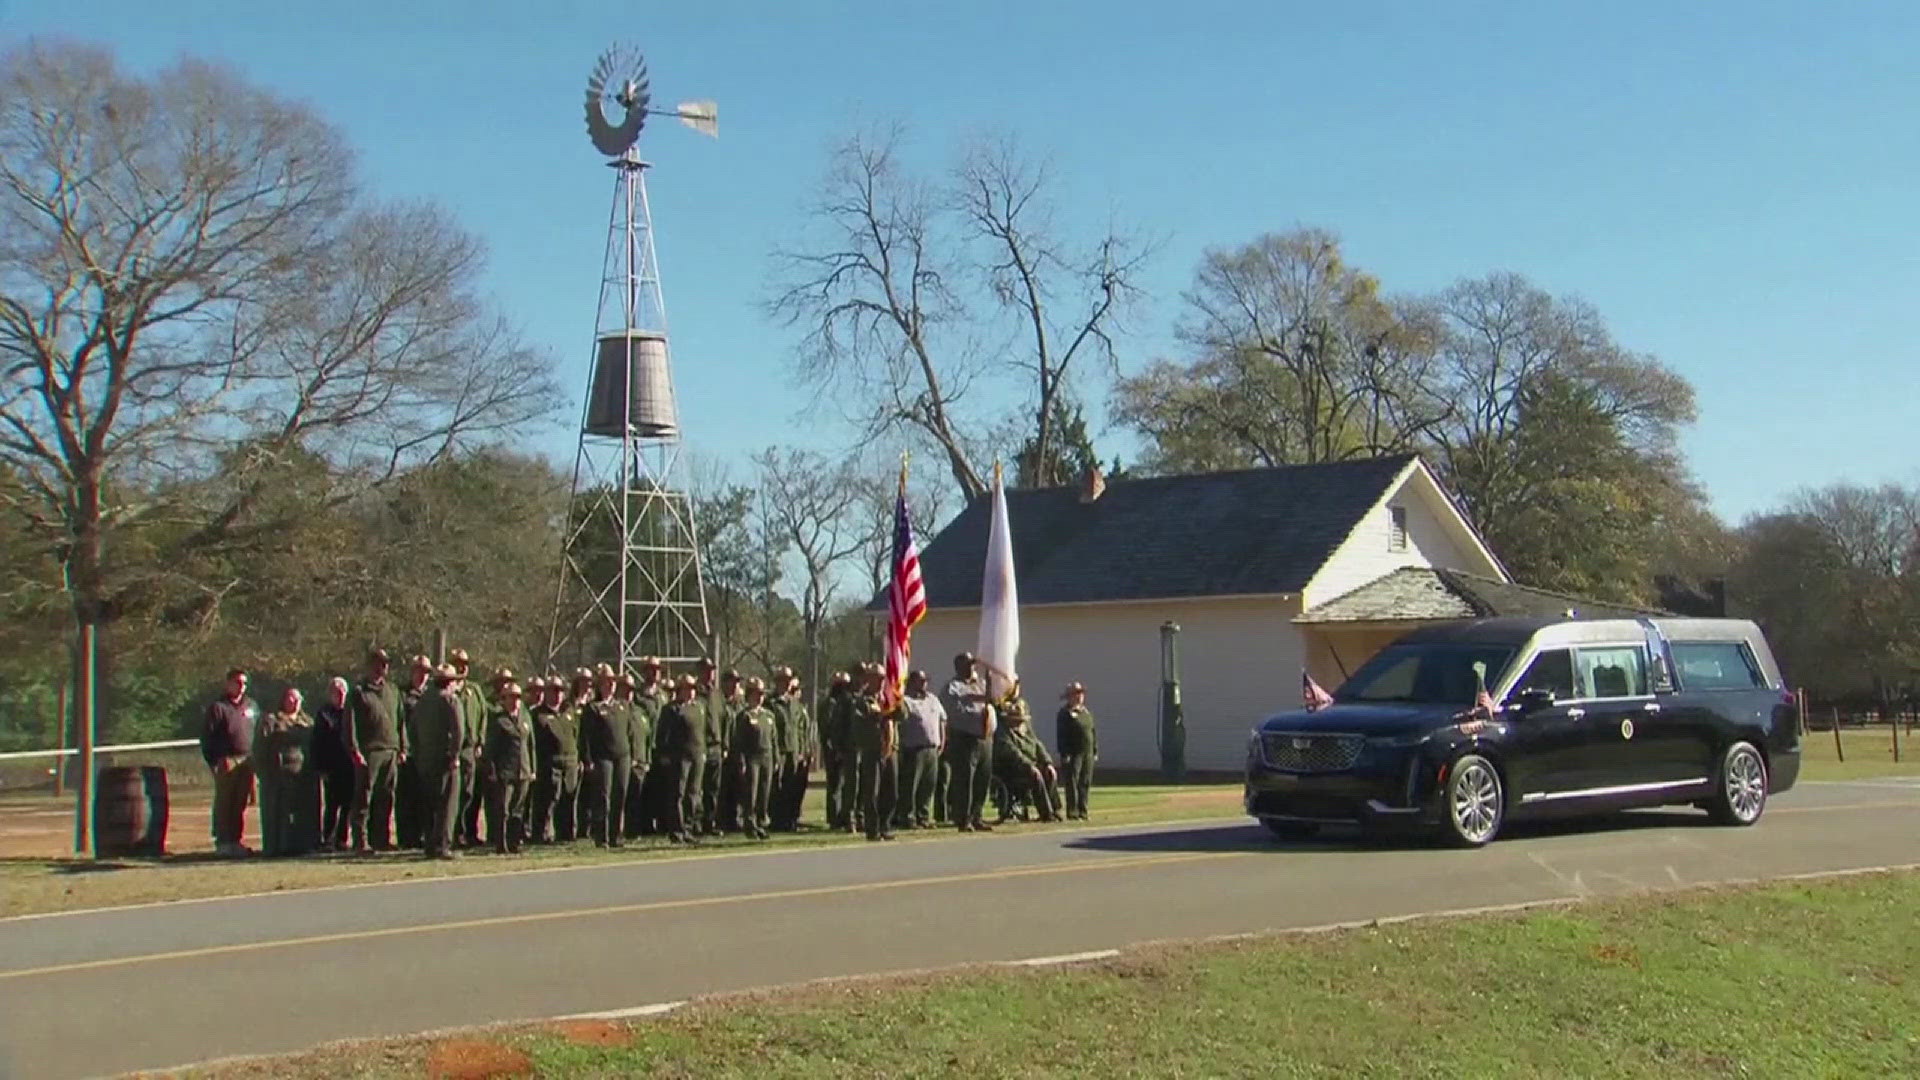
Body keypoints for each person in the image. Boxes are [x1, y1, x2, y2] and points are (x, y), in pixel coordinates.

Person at [348, 648, 406, 852]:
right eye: (379, 663)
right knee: (364, 797)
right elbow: (350, 724)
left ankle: (381, 838)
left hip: (391, 750)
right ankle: (360, 840)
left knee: (386, 796)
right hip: (369, 751)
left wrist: (402, 747)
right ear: (370, 665)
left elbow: (400, 721)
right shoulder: (359, 692)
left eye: (386, 663)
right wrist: (355, 750)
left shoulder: (393, 690)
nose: (383, 667)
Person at [252, 687, 320, 857]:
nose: (295, 702)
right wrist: (263, 771)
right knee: (276, 813)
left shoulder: (307, 722)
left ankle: (302, 845)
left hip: (303, 774)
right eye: (291, 698)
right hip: (278, 774)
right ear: (283, 700)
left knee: (303, 813)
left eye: (298, 698)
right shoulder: (271, 720)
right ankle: (276, 847)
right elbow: (260, 748)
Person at [200, 667, 259, 856]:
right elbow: (207, 737)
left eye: (245, 683)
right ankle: (223, 842)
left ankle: (236, 841)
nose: (242, 687)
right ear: (229, 684)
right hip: (226, 760)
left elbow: (257, 731)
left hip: (247, 760)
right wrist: (214, 762)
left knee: (240, 802)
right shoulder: (218, 707)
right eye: (238, 682)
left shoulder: (251, 706)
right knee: (225, 803)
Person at [409, 664, 465, 860]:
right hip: (445, 760)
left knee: (429, 804)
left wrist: (417, 754)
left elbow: (412, 730)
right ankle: (443, 845)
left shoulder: (422, 701)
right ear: (449, 683)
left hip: (425, 759)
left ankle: (430, 846)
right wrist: (455, 755)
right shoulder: (450, 700)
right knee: (447, 804)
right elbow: (458, 731)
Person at [941, 652, 996, 833]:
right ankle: (963, 819)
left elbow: (992, 699)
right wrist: (976, 710)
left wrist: (989, 682)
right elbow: (955, 712)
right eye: (968, 664)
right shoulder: (952, 687)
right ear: (959, 666)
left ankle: (977, 816)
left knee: (983, 778)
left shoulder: (980, 684)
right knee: (965, 780)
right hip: (965, 737)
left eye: (973, 664)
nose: (972, 667)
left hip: (985, 738)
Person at [580, 664, 631, 848]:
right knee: (603, 796)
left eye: (612, 682)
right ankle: (600, 836)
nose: (610, 686)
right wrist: (587, 760)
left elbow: (629, 732)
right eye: (606, 682)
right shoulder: (593, 708)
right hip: (603, 757)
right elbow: (585, 737)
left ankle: (616, 834)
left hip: (622, 756)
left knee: (620, 794)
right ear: (599, 685)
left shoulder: (622, 706)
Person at [992, 687, 1061, 823]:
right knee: (1036, 775)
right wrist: (1029, 766)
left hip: (1028, 767)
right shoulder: (1003, 734)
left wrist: (1047, 762)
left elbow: (1037, 744)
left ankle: (1056, 809)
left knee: (1049, 773)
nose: (1020, 722)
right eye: (1017, 720)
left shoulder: (1026, 730)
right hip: (1011, 771)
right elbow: (1013, 753)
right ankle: (1046, 813)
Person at [483, 680, 536, 855]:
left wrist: (532, 769)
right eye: (511, 697)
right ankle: (501, 844)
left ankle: (515, 843)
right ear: (503, 699)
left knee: (518, 810)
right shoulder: (499, 721)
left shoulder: (525, 718)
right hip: (505, 772)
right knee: (503, 810)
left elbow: (530, 745)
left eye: (518, 697)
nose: (515, 701)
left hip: (523, 771)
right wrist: (492, 771)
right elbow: (490, 749)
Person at [851, 663, 900, 842]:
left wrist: (896, 702)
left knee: (891, 790)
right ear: (868, 680)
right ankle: (872, 829)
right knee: (872, 792)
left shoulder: (888, 698)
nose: (879, 682)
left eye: (881, 678)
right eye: (875, 678)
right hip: (873, 749)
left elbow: (903, 714)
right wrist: (883, 714)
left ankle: (885, 826)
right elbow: (866, 717)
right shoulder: (861, 700)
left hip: (891, 748)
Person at [653, 674, 704, 844]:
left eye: (692, 689)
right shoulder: (671, 709)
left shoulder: (698, 708)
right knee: (678, 794)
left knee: (693, 793)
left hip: (696, 754)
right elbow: (662, 734)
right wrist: (664, 754)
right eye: (687, 689)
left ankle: (689, 827)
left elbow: (702, 731)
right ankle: (676, 829)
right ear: (679, 690)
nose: (690, 693)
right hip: (679, 756)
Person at [530, 675, 581, 844]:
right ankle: (540, 835)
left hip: (570, 763)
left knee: (568, 799)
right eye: (554, 690)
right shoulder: (538, 715)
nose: (557, 695)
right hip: (549, 764)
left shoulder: (568, 713)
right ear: (546, 692)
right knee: (547, 801)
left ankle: (566, 834)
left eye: (560, 691)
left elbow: (576, 735)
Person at [894, 670, 946, 830]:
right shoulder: (906, 701)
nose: (924, 683)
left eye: (925, 680)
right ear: (912, 682)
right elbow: (899, 721)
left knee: (928, 785)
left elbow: (942, 720)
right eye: (920, 680)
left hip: (932, 748)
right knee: (910, 786)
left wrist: (942, 741)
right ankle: (908, 817)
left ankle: (923, 816)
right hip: (913, 749)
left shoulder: (933, 700)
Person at [449, 648, 489, 848]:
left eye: (464, 664)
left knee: (470, 793)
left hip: (472, 749)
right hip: (455, 749)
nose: (462, 667)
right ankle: (455, 833)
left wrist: (480, 741)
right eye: (457, 663)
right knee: (455, 793)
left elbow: (484, 715)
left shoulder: (474, 690)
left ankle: (469, 832)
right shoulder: (449, 690)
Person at [729, 678, 778, 840]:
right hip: (752, 758)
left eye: (761, 695)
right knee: (751, 793)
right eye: (756, 694)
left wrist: (776, 758)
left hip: (767, 757)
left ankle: (761, 823)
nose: (759, 698)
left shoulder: (768, 715)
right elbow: (738, 742)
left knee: (764, 792)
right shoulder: (744, 716)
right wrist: (741, 761)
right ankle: (750, 824)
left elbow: (774, 739)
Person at [311, 677, 356, 852]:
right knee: (332, 804)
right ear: (330, 694)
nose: (340, 696)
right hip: (331, 766)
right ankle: (327, 839)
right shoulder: (324, 714)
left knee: (348, 804)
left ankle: (342, 839)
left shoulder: (350, 712)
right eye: (337, 693)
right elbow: (317, 743)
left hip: (349, 765)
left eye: (343, 692)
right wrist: (321, 768)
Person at [394, 655, 433, 849]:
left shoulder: (431, 694)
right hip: (408, 752)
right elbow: (398, 721)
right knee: (406, 797)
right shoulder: (402, 694)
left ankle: (424, 835)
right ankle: (406, 838)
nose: (423, 676)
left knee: (424, 797)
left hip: (427, 753)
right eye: (419, 671)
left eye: (426, 672)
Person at [619, 671, 654, 842]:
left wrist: (646, 758)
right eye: (624, 688)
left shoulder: (640, 711)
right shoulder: (617, 710)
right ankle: (621, 830)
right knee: (623, 798)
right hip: (625, 760)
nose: (628, 692)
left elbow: (647, 736)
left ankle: (636, 830)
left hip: (641, 761)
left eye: (631, 689)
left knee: (638, 798)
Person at [819, 670, 856, 832]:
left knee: (844, 784)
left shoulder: (845, 702)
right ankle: (834, 818)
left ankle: (842, 815)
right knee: (835, 784)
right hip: (833, 748)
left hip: (845, 747)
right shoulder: (830, 703)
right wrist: (834, 746)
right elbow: (827, 726)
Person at [1056, 681, 1098, 820]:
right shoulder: (1065, 714)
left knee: (1085, 781)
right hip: (1073, 753)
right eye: (1076, 694)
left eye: (1081, 694)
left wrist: (1095, 750)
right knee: (1072, 782)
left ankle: (1083, 810)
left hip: (1087, 752)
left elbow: (1092, 732)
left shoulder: (1085, 712)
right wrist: (1064, 753)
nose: (1080, 697)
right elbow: (1061, 734)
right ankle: (1072, 812)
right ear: (1069, 696)